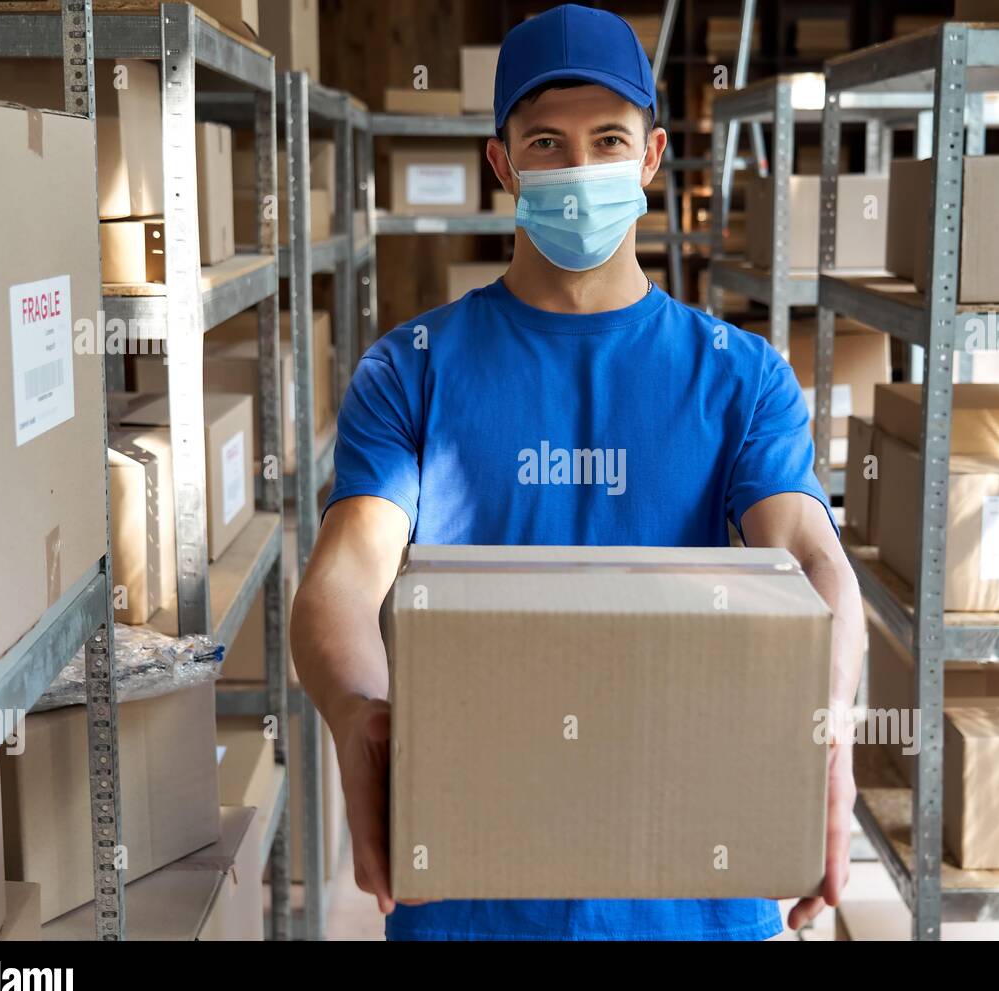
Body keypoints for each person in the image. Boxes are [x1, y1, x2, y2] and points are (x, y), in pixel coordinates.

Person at [291, 3, 864, 941]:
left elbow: (811, 556)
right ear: (504, 164)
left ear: (650, 157)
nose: (577, 168)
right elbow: (344, 578)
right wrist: (361, 712)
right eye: (547, 143)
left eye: (607, 139)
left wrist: (828, 723)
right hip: (476, 888)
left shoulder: (738, 373)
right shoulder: (414, 368)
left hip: (693, 888)